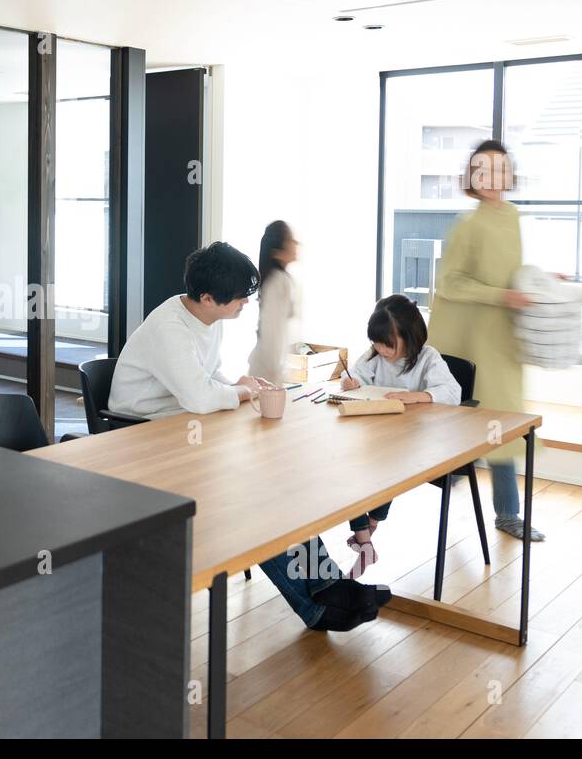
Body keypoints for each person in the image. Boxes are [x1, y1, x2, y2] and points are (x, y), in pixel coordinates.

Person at [108, 241, 389, 631]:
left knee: (274, 486)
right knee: (252, 500)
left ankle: (327, 585)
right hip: (144, 440)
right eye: (239, 300)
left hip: (184, 425)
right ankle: (317, 606)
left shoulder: (204, 319)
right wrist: (242, 391)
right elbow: (201, 396)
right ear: (208, 297)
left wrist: (236, 384)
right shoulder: (168, 328)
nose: (243, 305)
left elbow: (204, 382)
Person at [428, 139, 545, 541]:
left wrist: (541, 282)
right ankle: (496, 506)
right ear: (473, 178)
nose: (495, 177)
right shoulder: (469, 225)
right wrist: (501, 296)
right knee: (492, 423)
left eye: (501, 168)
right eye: (485, 170)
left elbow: (508, 270)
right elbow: (450, 282)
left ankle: (499, 509)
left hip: (503, 336)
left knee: (505, 425)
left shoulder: (511, 216)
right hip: (473, 337)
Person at [340, 294, 461, 575]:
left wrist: (420, 396)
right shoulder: (373, 357)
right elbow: (360, 382)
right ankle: (365, 538)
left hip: (416, 443)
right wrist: (352, 384)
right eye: (376, 342)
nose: (381, 349)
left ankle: (365, 533)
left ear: (410, 336)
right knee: (349, 470)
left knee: (383, 467)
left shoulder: (428, 358)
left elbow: (453, 392)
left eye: (388, 344)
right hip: (378, 438)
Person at [247, 220, 299, 386]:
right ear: (277, 252)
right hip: (268, 371)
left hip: (269, 368)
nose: (296, 244)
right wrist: (277, 371)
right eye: (291, 239)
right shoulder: (278, 282)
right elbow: (272, 331)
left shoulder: (280, 280)